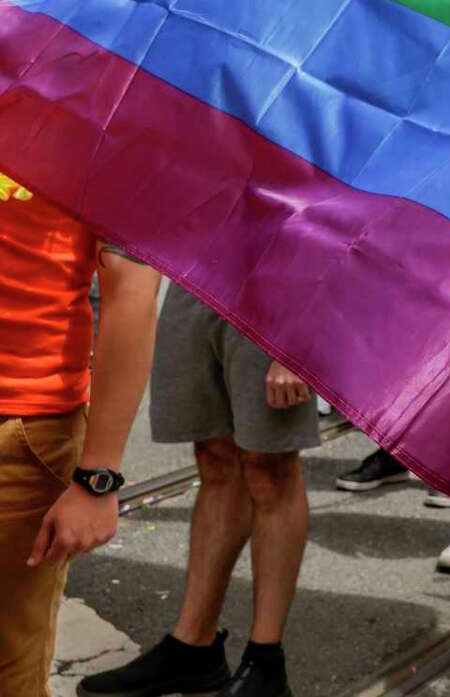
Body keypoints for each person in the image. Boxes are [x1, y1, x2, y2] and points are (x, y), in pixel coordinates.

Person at [81, 286, 319, 697]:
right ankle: (193, 646)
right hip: (199, 274)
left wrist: (296, 335)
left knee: (269, 467)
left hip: (280, 283)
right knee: (214, 455)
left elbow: (335, 225)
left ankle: (266, 664)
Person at [0, 181, 158, 697]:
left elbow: (133, 290)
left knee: (9, 669)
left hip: (22, 427)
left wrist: (98, 478)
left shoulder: (108, 114)